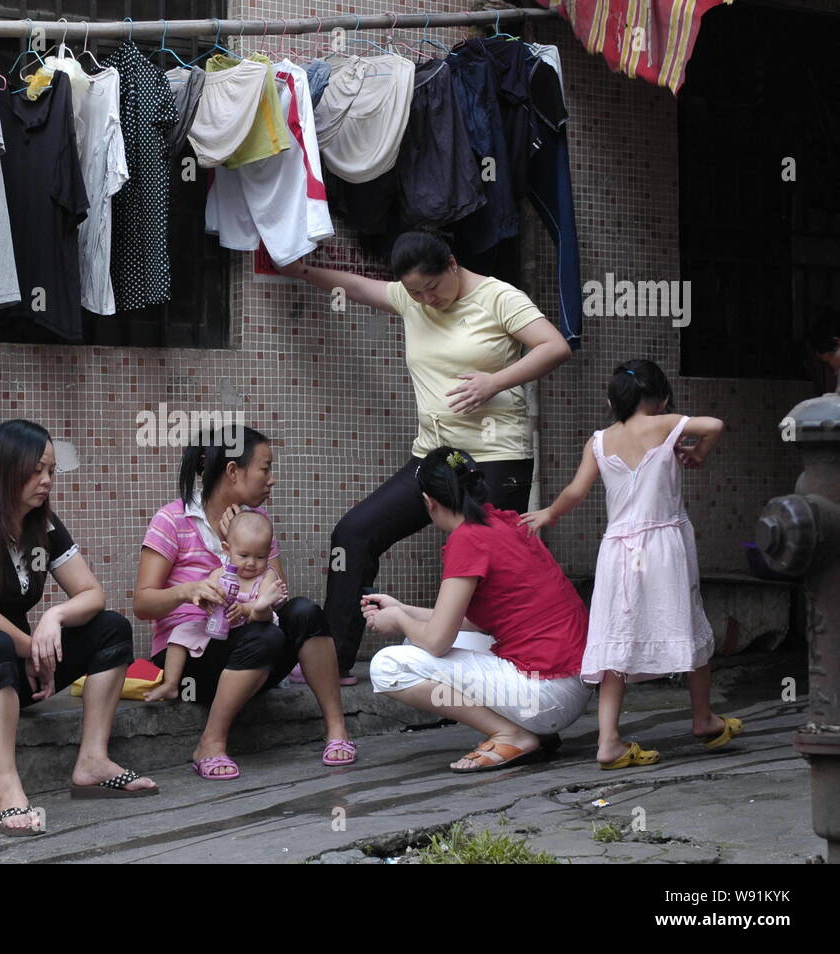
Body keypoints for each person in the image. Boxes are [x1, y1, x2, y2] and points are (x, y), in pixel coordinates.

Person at [275, 229, 572, 682]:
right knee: (353, 535)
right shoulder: (412, 299)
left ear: (452, 264)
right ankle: (334, 661)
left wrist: (495, 382)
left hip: (496, 458)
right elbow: (355, 287)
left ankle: (505, 671)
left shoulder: (498, 298)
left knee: (489, 564)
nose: (426, 299)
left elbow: (555, 346)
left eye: (432, 288)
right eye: (415, 293)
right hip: (432, 459)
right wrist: (301, 269)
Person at [0, 419, 158, 837]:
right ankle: (7, 789)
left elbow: (91, 593)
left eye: (51, 472)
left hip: (9, 670)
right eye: (36, 470)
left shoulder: (41, 525)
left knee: (111, 628)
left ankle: (93, 762)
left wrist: (53, 618)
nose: (46, 481)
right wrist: (33, 650)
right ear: (6, 469)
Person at [520, 360, 739, 769]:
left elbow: (575, 491)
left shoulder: (600, 441)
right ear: (661, 399)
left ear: (611, 400)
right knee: (687, 623)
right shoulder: (664, 424)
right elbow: (715, 424)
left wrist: (549, 513)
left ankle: (608, 742)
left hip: (619, 552)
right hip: (665, 545)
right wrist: (697, 454)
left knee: (615, 639)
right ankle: (702, 718)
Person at [134, 426, 355, 779]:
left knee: (305, 612)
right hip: (190, 657)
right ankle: (210, 743)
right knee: (265, 637)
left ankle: (337, 732)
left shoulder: (258, 523)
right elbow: (143, 604)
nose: (272, 479)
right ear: (233, 471)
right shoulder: (173, 519)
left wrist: (234, 540)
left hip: (253, 647)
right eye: (265, 468)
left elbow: (277, 596)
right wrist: (188, 591)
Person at [365, 446, 591, 772]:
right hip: (567, 684)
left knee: (388, 667)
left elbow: (437, 642)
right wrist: (404, 608)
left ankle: (511, 733)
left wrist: (399, 619)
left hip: (546, 695)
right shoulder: (501, 523)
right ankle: (532, 732)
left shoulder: (467, 539)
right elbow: (474, 622)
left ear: (429, 502)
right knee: (412, 645)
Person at [143, 510, 289, 703]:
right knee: (180, 634)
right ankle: (171, 683)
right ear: (227, 549)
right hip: (220, 628)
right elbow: (210, 596)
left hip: (253, 625)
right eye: (244, 555)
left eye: (260, 557)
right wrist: (208, 600)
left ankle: (259, 610)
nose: (252, 563)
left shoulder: (266, 575)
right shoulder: (219, 574)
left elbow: (265, 603)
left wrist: (245, 609)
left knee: (262, 616)